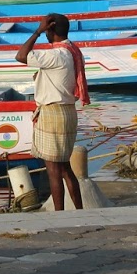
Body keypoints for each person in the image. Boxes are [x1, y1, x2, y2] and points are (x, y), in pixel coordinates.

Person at [15, 13, 90, 211]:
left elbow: (21, 55)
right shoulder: (72, 50)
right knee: (65, 167)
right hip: (67, 112)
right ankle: (79, 211)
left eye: (46, 30)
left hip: (52, 114)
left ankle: (60, 216)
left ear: (51, 30)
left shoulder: (56, 54)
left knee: (54, 171)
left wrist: (37, 32)